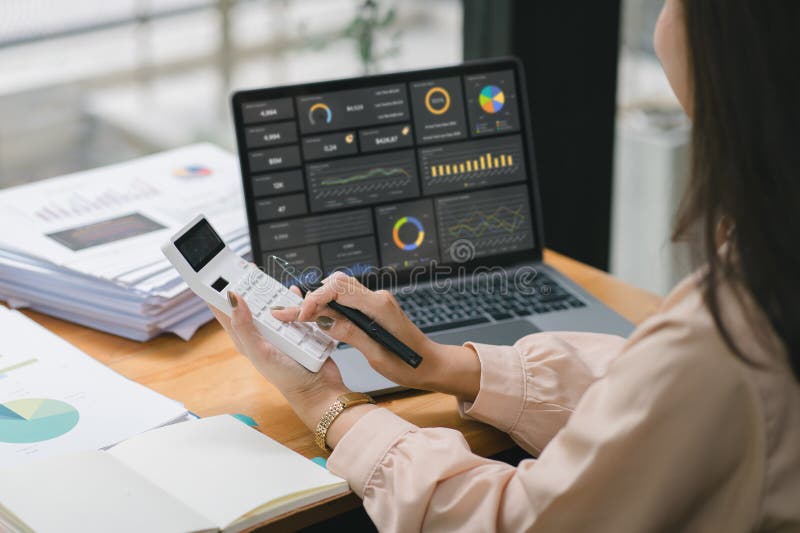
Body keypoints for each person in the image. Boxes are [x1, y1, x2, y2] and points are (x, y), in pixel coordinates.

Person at [211, 0, 800, 530]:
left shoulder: (731, 328)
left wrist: (328, 405)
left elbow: (511, 521)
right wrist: (444, 364)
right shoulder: (764, 277)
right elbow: (654, 401)